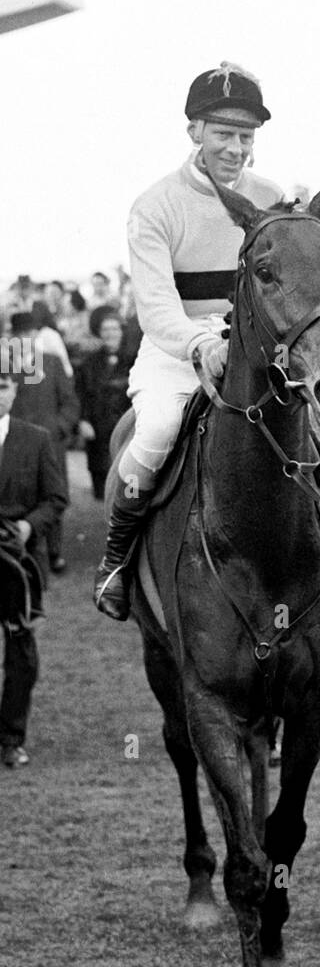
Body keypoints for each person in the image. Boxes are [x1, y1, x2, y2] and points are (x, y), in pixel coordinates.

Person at [92, 61, 320, 620]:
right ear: (195, 133)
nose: (235, 147)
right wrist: (199, 346)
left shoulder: (268, 195)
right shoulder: (155, 206)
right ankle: (116, 555)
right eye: (223, 133)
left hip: (254, 345)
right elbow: (156, 308)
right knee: (156, 426)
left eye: (245, 137)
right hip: (177, 347)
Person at [0, 367, 67, 768]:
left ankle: (10, 737)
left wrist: (27, 526)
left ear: (14, 392)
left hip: (18, 562)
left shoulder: (36, 440)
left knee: (21, 650)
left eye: (3, 386)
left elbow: (56, 499)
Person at [9, 312, 79, 574]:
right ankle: (18, 550)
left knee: (52, 493)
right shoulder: (6, 366)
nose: (26, 339)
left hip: (49, 442)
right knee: (17, 494)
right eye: (21, 335)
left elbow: (70, 402)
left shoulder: (51, 362)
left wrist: (58, 428)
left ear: (37, 335)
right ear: (13, 337)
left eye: (31, 334)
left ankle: (55, 551)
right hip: (15, 443)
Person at [76, 313, 133, 499]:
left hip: (127, 428)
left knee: (129, 483)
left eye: (114, 329)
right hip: (97, 428)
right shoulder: (89, 363)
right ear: (99, 333)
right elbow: (81, 394)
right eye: (106, 330)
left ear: (121, 332)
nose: (110, 334)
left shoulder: (134, 360)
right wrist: (82, 421)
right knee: (101, 485)